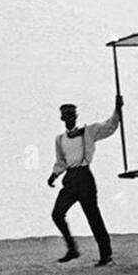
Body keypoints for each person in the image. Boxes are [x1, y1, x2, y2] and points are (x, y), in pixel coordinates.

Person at [48, 96, 122, 264]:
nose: (69, 119)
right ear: (62, 119)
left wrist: (117, 109)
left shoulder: (88, 132)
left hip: (85, 178)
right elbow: (61, 161)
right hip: (70, 179)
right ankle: (72, 250)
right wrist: (54, 175)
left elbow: (110, 126)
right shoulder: (60, 139)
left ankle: (106, 255)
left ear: (76, 117)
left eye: (71, 116)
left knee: (93, 217)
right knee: (57, 214)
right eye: (66, 116)